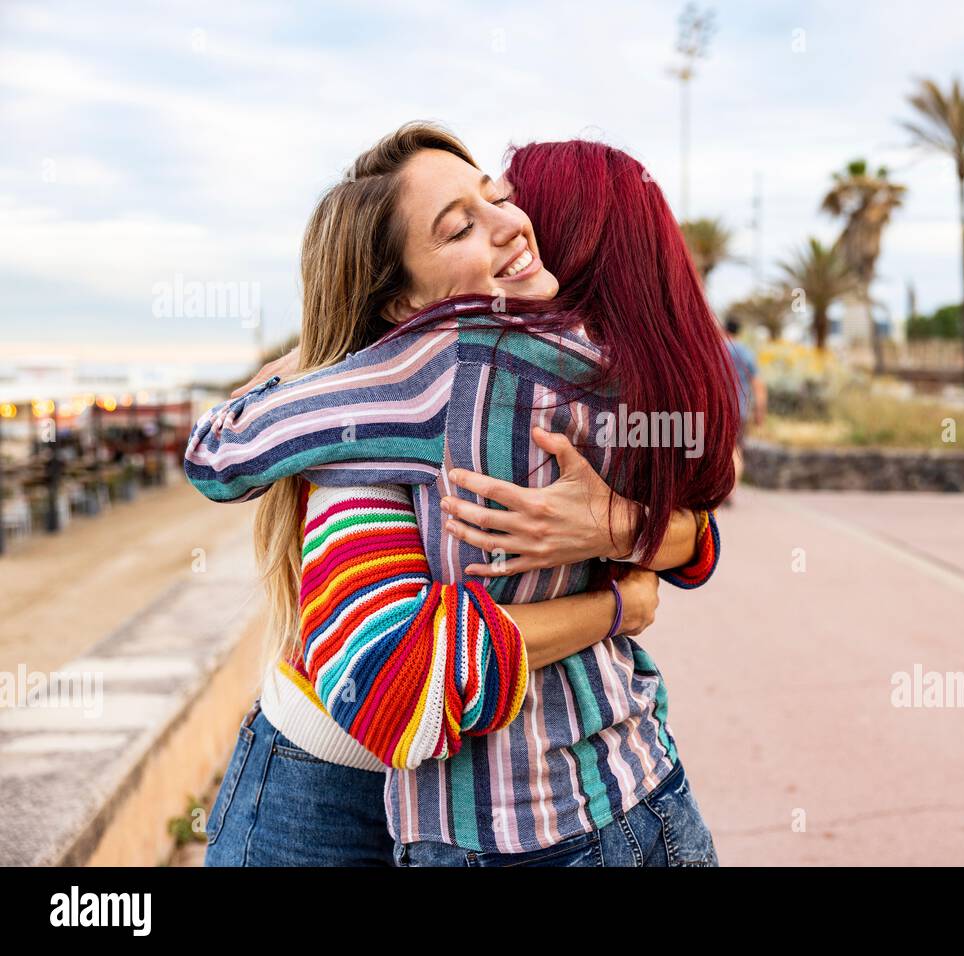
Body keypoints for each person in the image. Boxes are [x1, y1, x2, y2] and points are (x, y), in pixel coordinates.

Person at [186, 125, 738, 866]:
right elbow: (399, 680)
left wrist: (614, 527)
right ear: (399, 301)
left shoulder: (467, 376)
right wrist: (615, 607)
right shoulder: (585, 375)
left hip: (500, 812)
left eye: (500, 199)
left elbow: (217, 453)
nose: (511, 224)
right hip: (335, 785)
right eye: (462, 225)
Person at [723, 317, 765, 496]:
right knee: (736, 450)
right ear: (739, 332)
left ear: (724, 330)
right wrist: (759, 411)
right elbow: (758, 385)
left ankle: (716, 490)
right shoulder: (746, 354)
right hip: (739, 409)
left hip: (715, 410)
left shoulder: (714, 348)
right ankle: (730, 491)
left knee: (717, 450)